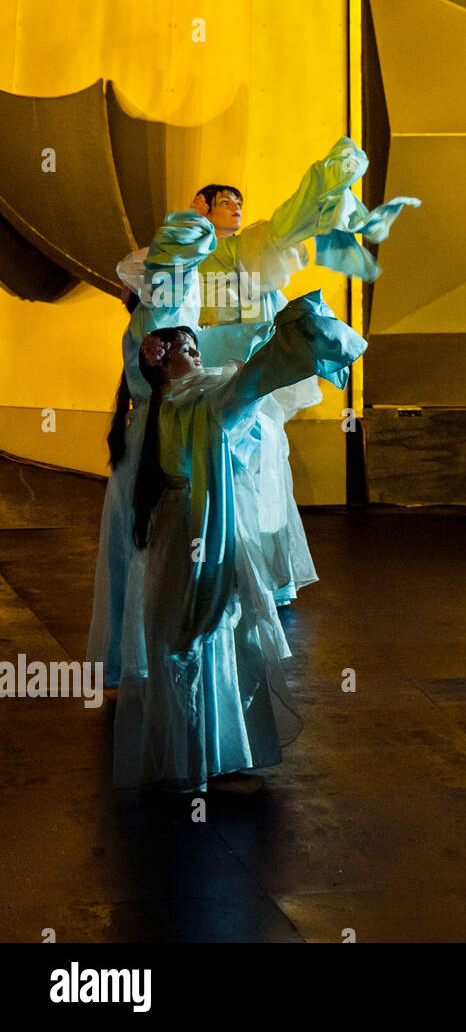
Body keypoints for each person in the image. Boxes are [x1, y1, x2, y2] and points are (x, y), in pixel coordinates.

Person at [89, 138, 417, 687]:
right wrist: (274, 347)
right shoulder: (164, 313)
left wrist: (266, 339)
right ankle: (163, 660)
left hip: (189, 436)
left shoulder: (185, 296)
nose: (232, 214)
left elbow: (203, 344)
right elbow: (186, 356)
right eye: (219, 206)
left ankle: (172, 652)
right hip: (177, 444)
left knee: (216, 526)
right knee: (172, 553)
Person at [113, 213, 368, 794]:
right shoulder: (189, 400)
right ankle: (189, 763)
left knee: (204, 631)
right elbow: (252, 378)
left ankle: (203, 756)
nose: (191, 348)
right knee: (192, 633)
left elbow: (249, 374)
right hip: (196, 527)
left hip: (197, 524)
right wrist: (298, 331)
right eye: (179, 346)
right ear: (159, 358)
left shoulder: (192, 395)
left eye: (191, 342)